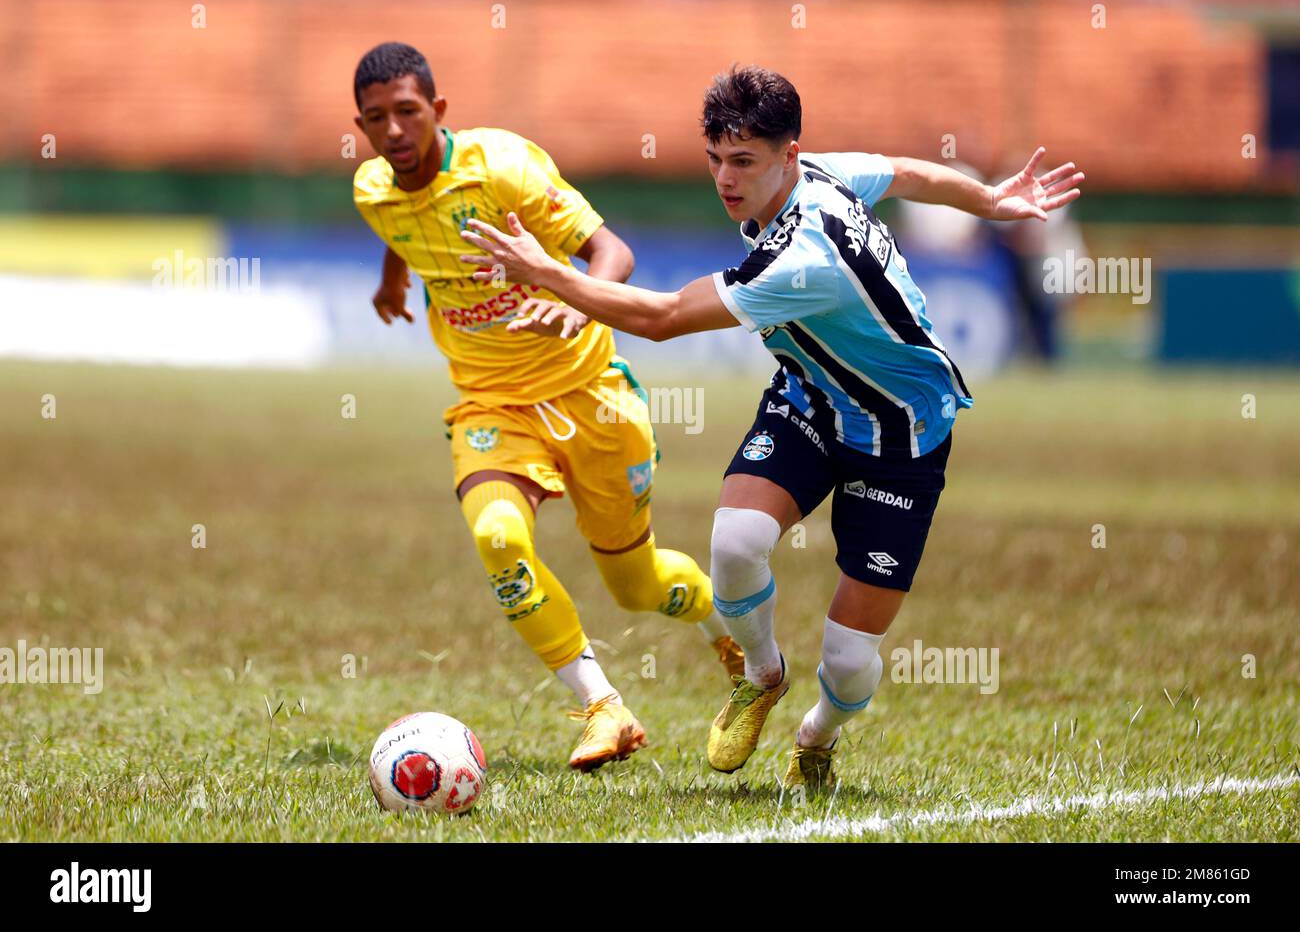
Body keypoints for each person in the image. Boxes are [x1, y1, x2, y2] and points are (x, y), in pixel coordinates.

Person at [459, 65, 1084, 788]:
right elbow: (909, 171)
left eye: (744, 162)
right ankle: (761, 674)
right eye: (715, 159)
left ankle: (817, 736)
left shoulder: (806, 256)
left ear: (788, 155)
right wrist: (989, 200)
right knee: (735, 541)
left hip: (900, 438)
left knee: (850, 663)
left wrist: (551, 273)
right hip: (812, 400)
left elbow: (661, 320)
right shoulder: (818, 171)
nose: (725, 179)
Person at [351, 42, 744, 773]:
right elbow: (402, 226)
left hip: (590, 395)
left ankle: (735, 640)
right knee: (499, 538)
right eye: (377, 119)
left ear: (437, 111)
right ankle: (605, 708)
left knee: (638, 587)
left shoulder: (503, 167)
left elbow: (612, 253)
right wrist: (391, 281)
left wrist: (582, 309)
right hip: (491, 404)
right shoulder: (372, 190)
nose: (395, 130)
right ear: (362, 126)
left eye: (408, 112)